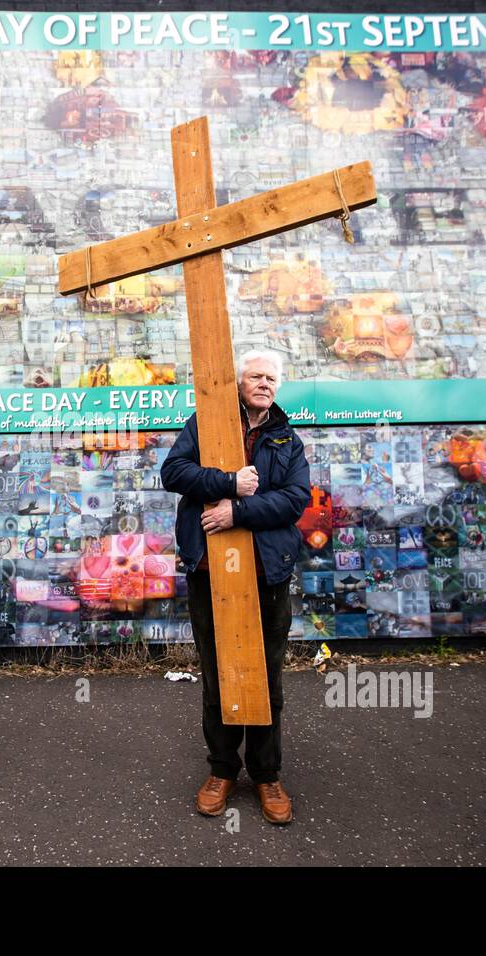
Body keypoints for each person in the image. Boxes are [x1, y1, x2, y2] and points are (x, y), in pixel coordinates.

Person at [160, 349, 311, 825]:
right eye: (255, 376)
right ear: (238, 382)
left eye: (271, 378)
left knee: (267, 676)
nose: (263, 383)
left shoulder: (287, 439)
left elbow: (295, 500)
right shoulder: (204, 423)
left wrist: (236, 511)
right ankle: (222, 770)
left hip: (268, 573)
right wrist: (227, 481)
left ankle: (267, 775)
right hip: (211, 572)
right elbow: (174, 472)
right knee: (218, 674)